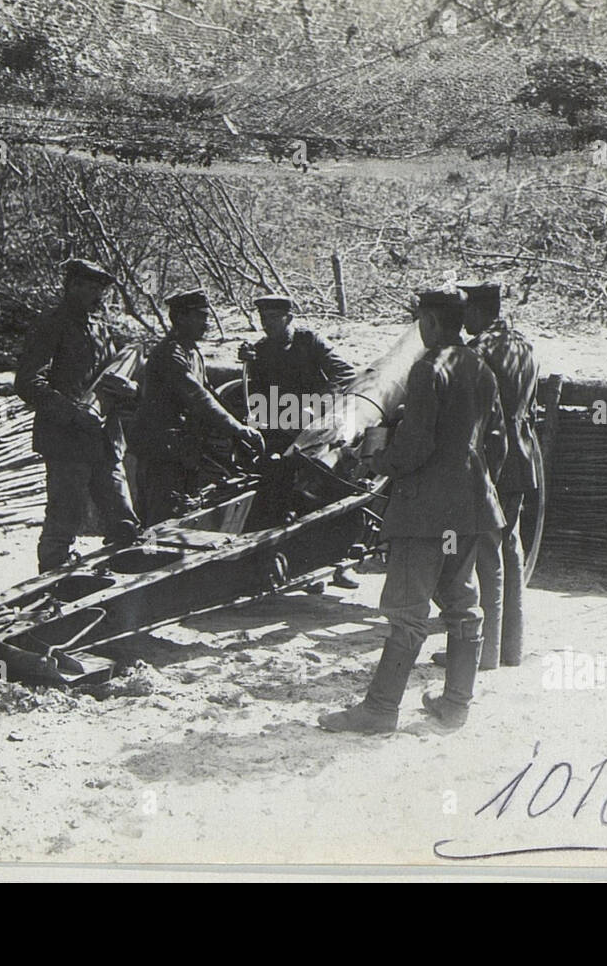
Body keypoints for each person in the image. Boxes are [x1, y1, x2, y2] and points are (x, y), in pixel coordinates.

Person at [319, 288, 506, 733]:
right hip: (469, 509)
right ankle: (457, 703)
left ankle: (381, 710)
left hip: (425, 512)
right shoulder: (482, 368)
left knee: (407, 608)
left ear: (431, 322)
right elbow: (495, 440)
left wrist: (377, 462)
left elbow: (415, 447)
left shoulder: (427, 370)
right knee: (461, 602)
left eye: (421, 319)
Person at [15, 259, 142, 572]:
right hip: (66, 440)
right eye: (89, 285)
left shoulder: (99, 328)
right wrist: (73, 414)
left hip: (104, 438)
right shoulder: (51, 325)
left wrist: (130, 389)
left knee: (121, 513)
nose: (97, 293)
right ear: (72, 286)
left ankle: (124, 578)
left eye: (100, 287)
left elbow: (109, 377)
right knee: (65, 517)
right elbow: (29, 382)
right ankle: (51, 582)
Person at [448, 280, 539, 668]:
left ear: (477, 311)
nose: (462, 318)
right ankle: (510, 650)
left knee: (486, 552)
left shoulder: (478, 350)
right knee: (510, 548)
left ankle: (484, 653)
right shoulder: (524, 345)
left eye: (466, 311)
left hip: (494, 458)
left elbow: (472, 414)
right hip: (523, 455)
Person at [240, 294, 360, 588]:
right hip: (280, 433)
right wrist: (247, 367)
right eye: (263, 319)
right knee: (277, 496)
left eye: (273, 318)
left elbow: (345, 374)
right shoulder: (261, 350)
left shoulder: (310, 342)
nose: (266, 324)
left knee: (329, 494)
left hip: (317, 431)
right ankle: (289, 565)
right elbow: (255, 397)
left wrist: (317, 407)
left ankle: (340, 563)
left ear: (289, 319)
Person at [132, 289, 264, 524]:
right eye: (200, 317)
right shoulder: (171, 354)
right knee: (160, 513)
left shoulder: (191, 351)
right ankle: (150, 557)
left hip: (184, 446)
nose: (206, 324)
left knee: (185, 507)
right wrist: (239, 430)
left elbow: (211, 393)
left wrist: (237, 427)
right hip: (163, 446)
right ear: (181, 318)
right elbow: (198, 397)